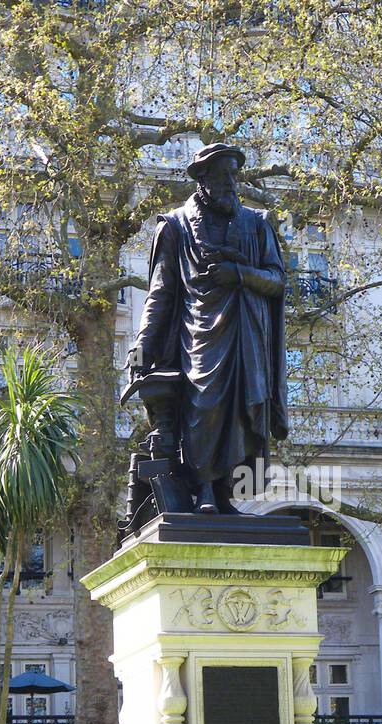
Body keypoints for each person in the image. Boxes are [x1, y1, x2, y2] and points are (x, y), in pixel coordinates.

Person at [123, 141, 289, 516]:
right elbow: (161, 291)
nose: (232, 182)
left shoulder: (257, 224)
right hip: (198, 332)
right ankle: (203, 487)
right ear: (203, 180)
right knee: (204, 407)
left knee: (243, 416)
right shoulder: (176, 226)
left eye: (235, 174)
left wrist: (240, 275)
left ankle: (225, 490)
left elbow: (277, 280)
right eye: (224, 175)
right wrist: (143, 342)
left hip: (247, 335)